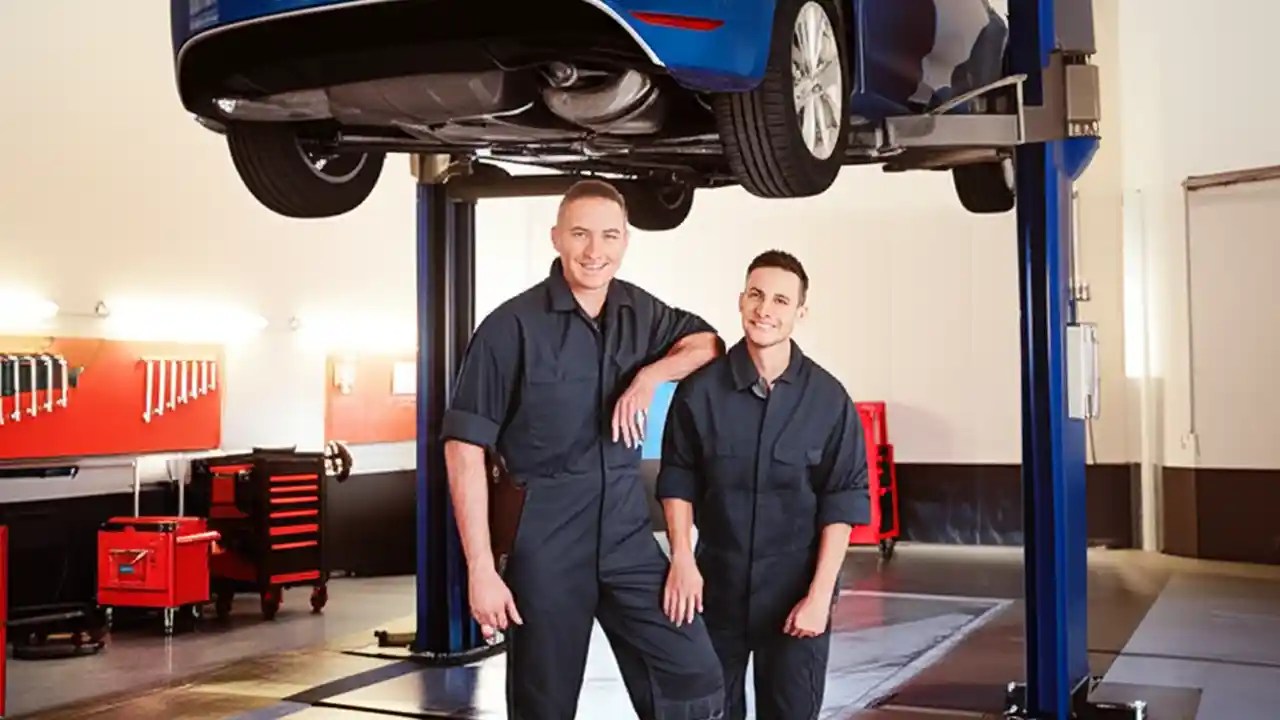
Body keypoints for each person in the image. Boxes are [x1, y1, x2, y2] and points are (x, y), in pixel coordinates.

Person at [441, 179, 727, 720]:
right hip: (545, 545)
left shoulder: (639, 312)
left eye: (609, 236)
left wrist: (649, 377)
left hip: (627, 538)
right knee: (543, 704)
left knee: (693, 672)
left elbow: (708, 344)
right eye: (580, 234)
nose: (595, 251)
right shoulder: (511, 327)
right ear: (556, 238)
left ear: (624, 242)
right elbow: (463, 449)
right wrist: (481, 568)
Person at [656, 250, 870, 720]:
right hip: (715, 589)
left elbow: (843, 503)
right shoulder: (700, 391)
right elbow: (678, 478)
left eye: (779, 299)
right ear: (740, 300)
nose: (764, 309)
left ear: (800, 312)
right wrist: (683, 561)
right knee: (711, 709)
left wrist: (818, 598)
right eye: (755, 295)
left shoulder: (828, 399)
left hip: (794, 592)